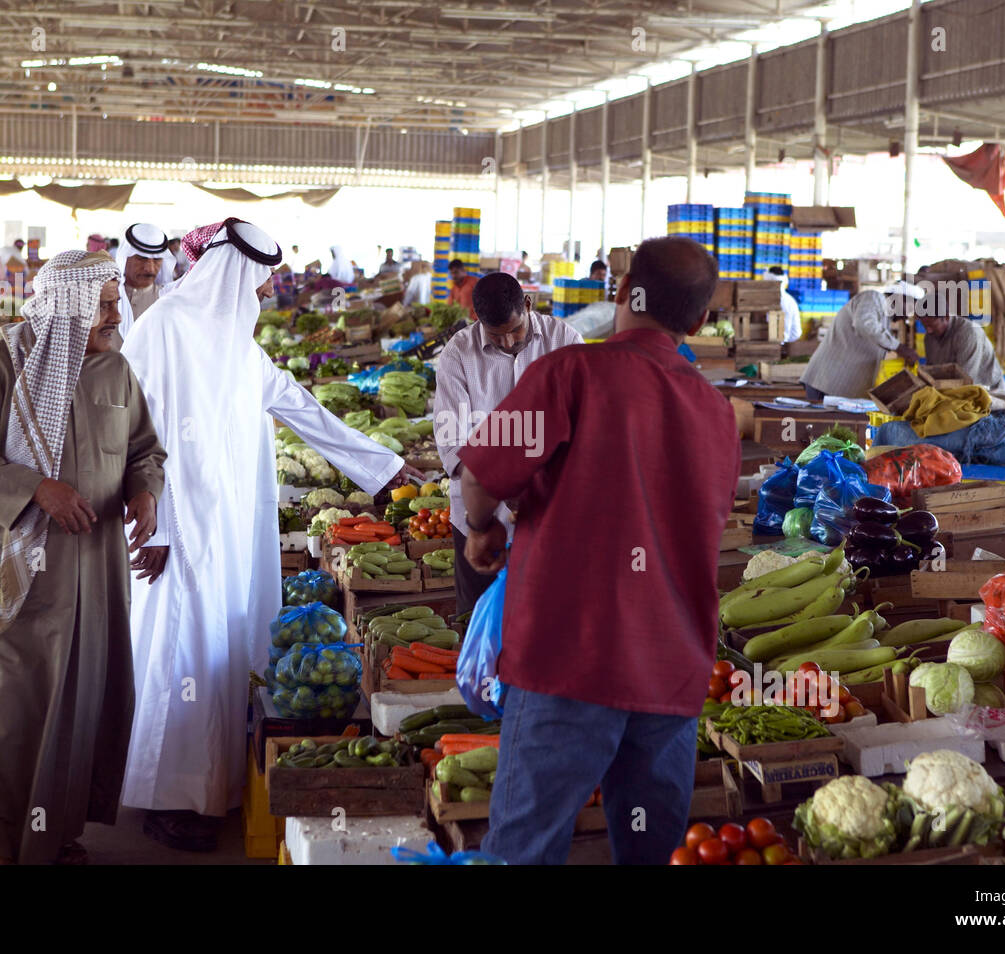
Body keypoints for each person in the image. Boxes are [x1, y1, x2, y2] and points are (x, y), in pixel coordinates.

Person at [118, 218, 422, 851]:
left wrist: (387, 466)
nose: (260, 295)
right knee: (179, 651)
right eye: (257, 282)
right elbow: (131, 428)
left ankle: (212, 786)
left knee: (220, 648)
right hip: (173, 526)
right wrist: (153, 524)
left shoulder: (237, 346)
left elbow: (302, 408)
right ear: (233, 273)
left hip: (227, 525)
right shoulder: (164, 329)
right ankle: (166, 797)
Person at [455, 237, 739, 865]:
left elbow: (479, 477)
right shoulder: (717, 412)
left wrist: (484, 530)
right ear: (697, 321)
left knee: (525, 850)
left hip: (567, 661)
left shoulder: (570, 372)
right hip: (670, 674)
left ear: (620, 289)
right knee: (650, 852)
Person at [0, 250, 166, 865]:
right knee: (7, 710)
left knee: (79, 703)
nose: (118, 315)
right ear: (68, 304)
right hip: (17, 576)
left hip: (94, 572)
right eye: (106, 304)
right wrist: (38, 489)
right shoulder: (1, 364)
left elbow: (146, 447)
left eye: (116, 302)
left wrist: (145, 491)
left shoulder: (115, 370)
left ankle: (53, 835)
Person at [434, 272, 582, 615]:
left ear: (528, 304)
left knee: (549, 620)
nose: (506, 342)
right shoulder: (458, 353)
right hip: (479, 520)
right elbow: (453, 441)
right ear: (476, 318)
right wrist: (497, 487)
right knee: (479, 620)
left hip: (551, 514)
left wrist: (535, 482)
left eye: (514, 330)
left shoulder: (565, 341)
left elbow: (583, 426)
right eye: (495, 335)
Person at [800, 282, 921, 402]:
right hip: (826, 383)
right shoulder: (874, 298)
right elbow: (864, 324)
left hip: (840, 389)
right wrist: (899, 347)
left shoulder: (885, 318)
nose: (906, 317)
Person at [918, 307, 1005, 405]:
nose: (928, 331)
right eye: (925, 326)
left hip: (989, 395)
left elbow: (966, 381)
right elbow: (931, 373)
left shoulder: (969, 333)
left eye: (931, 326)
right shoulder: (929, 338)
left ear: (946, 317)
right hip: (951, 395)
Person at [114, 222, 175, 336]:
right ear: (125, 258)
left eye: (157, 260)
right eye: (141, 258)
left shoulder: (168, 299)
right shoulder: (104, 297)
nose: (150, 268)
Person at [768, 265, 803, 344]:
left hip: (783, 341)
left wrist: (781, 343)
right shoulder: (788, 300)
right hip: (782, 339)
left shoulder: (785, 302)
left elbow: (786, 328)